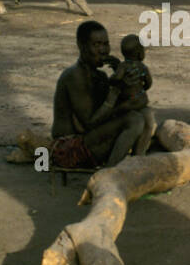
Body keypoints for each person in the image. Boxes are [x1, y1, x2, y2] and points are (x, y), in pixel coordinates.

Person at [51, 21, 148, 168]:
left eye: (106, 44)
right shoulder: (74, 76)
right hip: (68, 150)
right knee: (134, 120)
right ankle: (109, 175)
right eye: (96, 45)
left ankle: (135, 166)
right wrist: (116, 91)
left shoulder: (100, 76)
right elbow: (89, 123)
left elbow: (110, 111)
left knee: (145, 113)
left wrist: (121, 76)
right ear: (81, 46)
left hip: (90, 142)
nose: (103, 50)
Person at [107, 34, 157, 156]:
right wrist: (142, 89)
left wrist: (113, 80)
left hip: (127, 102)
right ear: (140, 53)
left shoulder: (123, 66)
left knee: (139, 123)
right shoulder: (142, 67)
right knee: (149, 125)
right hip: (140, 101)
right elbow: (149, 83)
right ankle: (139, 153)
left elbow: (116, 79)